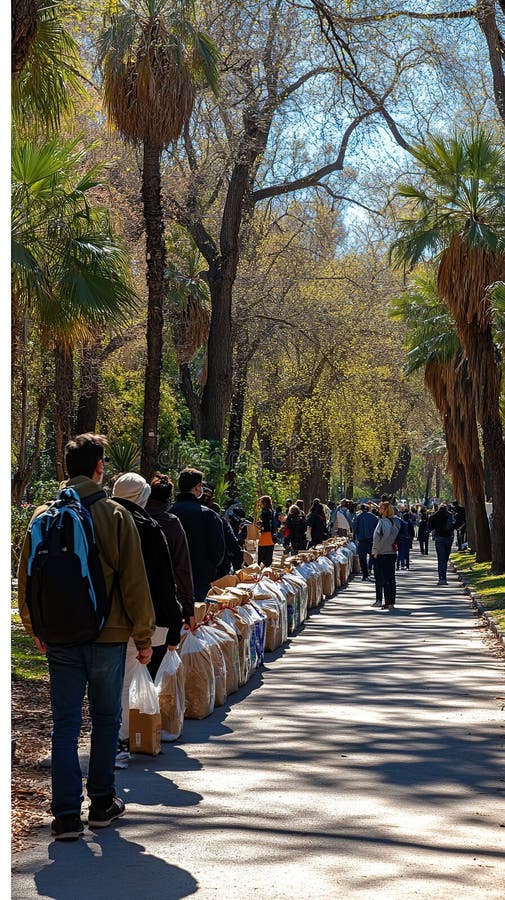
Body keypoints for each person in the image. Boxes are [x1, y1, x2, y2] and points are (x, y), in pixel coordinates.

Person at [17, 433, 155, 840]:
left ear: (66, 467)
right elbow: (134, 583)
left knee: (64, 723)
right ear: (100, 468)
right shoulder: (114, 514)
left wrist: (34, 627)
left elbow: (26, 578)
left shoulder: (44, 514)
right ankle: (101, 803)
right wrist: (143, 638)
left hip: (58, 636)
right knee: (106, 719)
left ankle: (63, 816)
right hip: (108, 637)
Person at [111, 473, 183, 761]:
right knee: (127, 678)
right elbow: (163, 580)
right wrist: (174, 621)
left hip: (100, 618)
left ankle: (114, 736)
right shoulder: (148, 527)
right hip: (139, 616)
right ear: (141, 496)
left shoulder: (97, 520)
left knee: (108, 679)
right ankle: (122, 737)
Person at [145, 472, 196, 663]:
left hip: (135, 604)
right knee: (159, 660)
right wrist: (188, 608)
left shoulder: (133, 519)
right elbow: (183, 568)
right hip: (165, 604)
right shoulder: (171, 524)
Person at [170, 468, 226, 601]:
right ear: (198, 487)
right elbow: (218, 551)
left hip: (172, 580)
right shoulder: (208, 515)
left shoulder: (169, 512)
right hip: (201, 580)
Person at [371, 500, 401, 610]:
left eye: (381, 508)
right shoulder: (395, 522)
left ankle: (388, 601)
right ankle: (390, 601)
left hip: (383, 553)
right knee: (391, 578)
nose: (379, 510)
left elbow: (385, 536)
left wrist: (376, 549)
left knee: (384, 578)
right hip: (391, 552)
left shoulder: (383, 522)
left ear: (385, 510)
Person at [428, 503, 456, 585]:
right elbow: (455, 524)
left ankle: (442, 578)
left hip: (439, 538)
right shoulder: (450, 515)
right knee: (446, 558)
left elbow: (429, 527)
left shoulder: (435, 515)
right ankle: (443, 575)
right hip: (449, 538)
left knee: (441, 559)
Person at [353, 503, 378, 581]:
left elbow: (355, 528)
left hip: (362, 541)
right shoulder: (374, 517)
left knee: (362, 559)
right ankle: (374, 571)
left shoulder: (358, 517)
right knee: (373, 557)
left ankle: (365, 575)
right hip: (371, 540)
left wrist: (357, 535)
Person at [256, 495, 276, 567]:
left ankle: (261, 567)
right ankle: (267, 567)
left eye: (261, 502)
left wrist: (261, 524)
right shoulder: (272, 511)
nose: (260, 504)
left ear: (264, 503)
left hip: (265, 534)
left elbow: (266, 523)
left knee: (262, 553)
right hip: (271, 534)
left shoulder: (264, 512)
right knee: (269, 553)